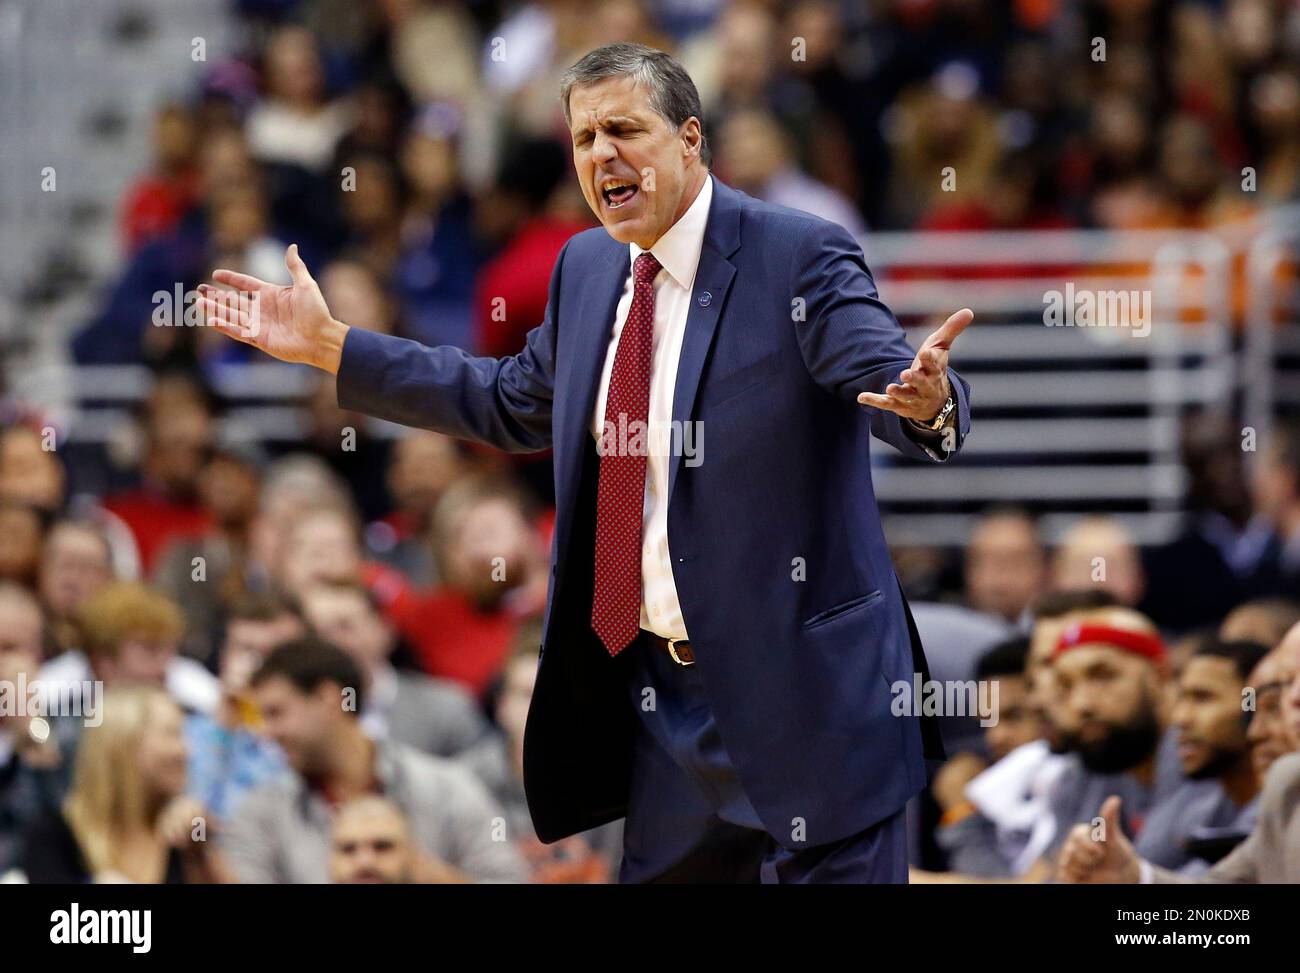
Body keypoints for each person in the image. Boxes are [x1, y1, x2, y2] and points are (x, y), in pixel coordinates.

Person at [201, 43, 973, 884]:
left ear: (689, 138)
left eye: (624, 130)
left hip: (809, 697)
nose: (601, 154)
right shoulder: (587, 265)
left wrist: (929, 402)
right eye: (583, 138)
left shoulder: (800, 253)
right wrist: (332, 348)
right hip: (663, 705)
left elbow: (883, 371)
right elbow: (506, 400)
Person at [220, 637, 525, 883]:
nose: (266, 734)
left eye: (276, 713)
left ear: (328, 699)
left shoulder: (446, 789)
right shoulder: (262, 812)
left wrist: (426, 875)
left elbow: (509, 880)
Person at [22, 686, 231, 884]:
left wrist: (199, 847)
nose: (186, 751)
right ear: (123, 744)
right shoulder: (55, 836)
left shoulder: (186, 832)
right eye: (171, 734)